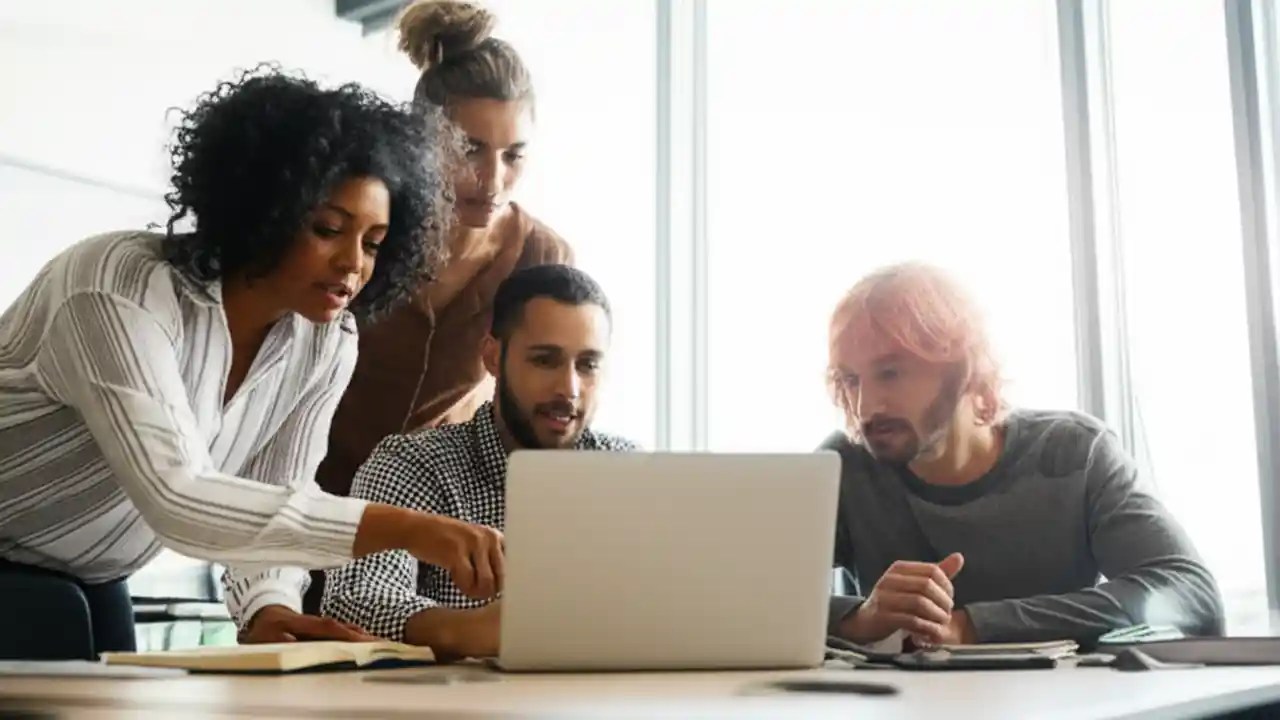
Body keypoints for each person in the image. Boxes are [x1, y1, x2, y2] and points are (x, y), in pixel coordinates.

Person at [0, 67, 504, 658]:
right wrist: (409, 529)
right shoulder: (116, 287)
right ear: (261, 208)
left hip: (90, 582)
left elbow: (277, 488)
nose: (353, 264)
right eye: (327, 229)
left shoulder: (325, 339)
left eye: (372, 242)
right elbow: (179, 496)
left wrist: (269, 606)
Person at [305, 0, 572, 614]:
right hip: (316, 505)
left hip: (448, 526)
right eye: (470, 149)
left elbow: (547, 397)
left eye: (514, 155)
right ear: (422, 141)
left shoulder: (541, 254)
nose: (493, 179)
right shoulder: (365, 231)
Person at [821, 263, 1224, 647]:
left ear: (963, 368)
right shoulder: (844, 467)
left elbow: (1188, 594)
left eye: (890, 372)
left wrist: (974, 627)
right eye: (851, 380)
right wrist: (861, 618)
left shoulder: (1073, 453)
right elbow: (759, 597)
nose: (864, 407)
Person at [321, 265, 638, 659]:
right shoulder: (413, 465)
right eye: (545, 360)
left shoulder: (630, 471)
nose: (569, 389)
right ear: (492, 357)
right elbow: (355, 599)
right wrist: (476, 632)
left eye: (587, 365)